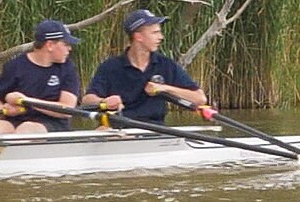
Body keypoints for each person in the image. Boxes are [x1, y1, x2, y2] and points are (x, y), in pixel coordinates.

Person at [81, 9, 216, 129]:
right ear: (138, 37)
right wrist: (103, 101)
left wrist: (165, 88)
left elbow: (200, 99)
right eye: (155, 33)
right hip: (118, 129)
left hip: (154, 130)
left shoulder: (165, 65)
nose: (160, 37)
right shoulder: (110, 67)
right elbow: (87, 100)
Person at [0, 20, 83, 130]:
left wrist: (28, 101)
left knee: (28, 128)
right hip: (15, 121)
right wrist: (2, 108)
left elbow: (67, 109)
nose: (69, 49)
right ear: (49, 45)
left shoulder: (67, 68)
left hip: (52, 125)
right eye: (66, 44)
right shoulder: (15, 66)